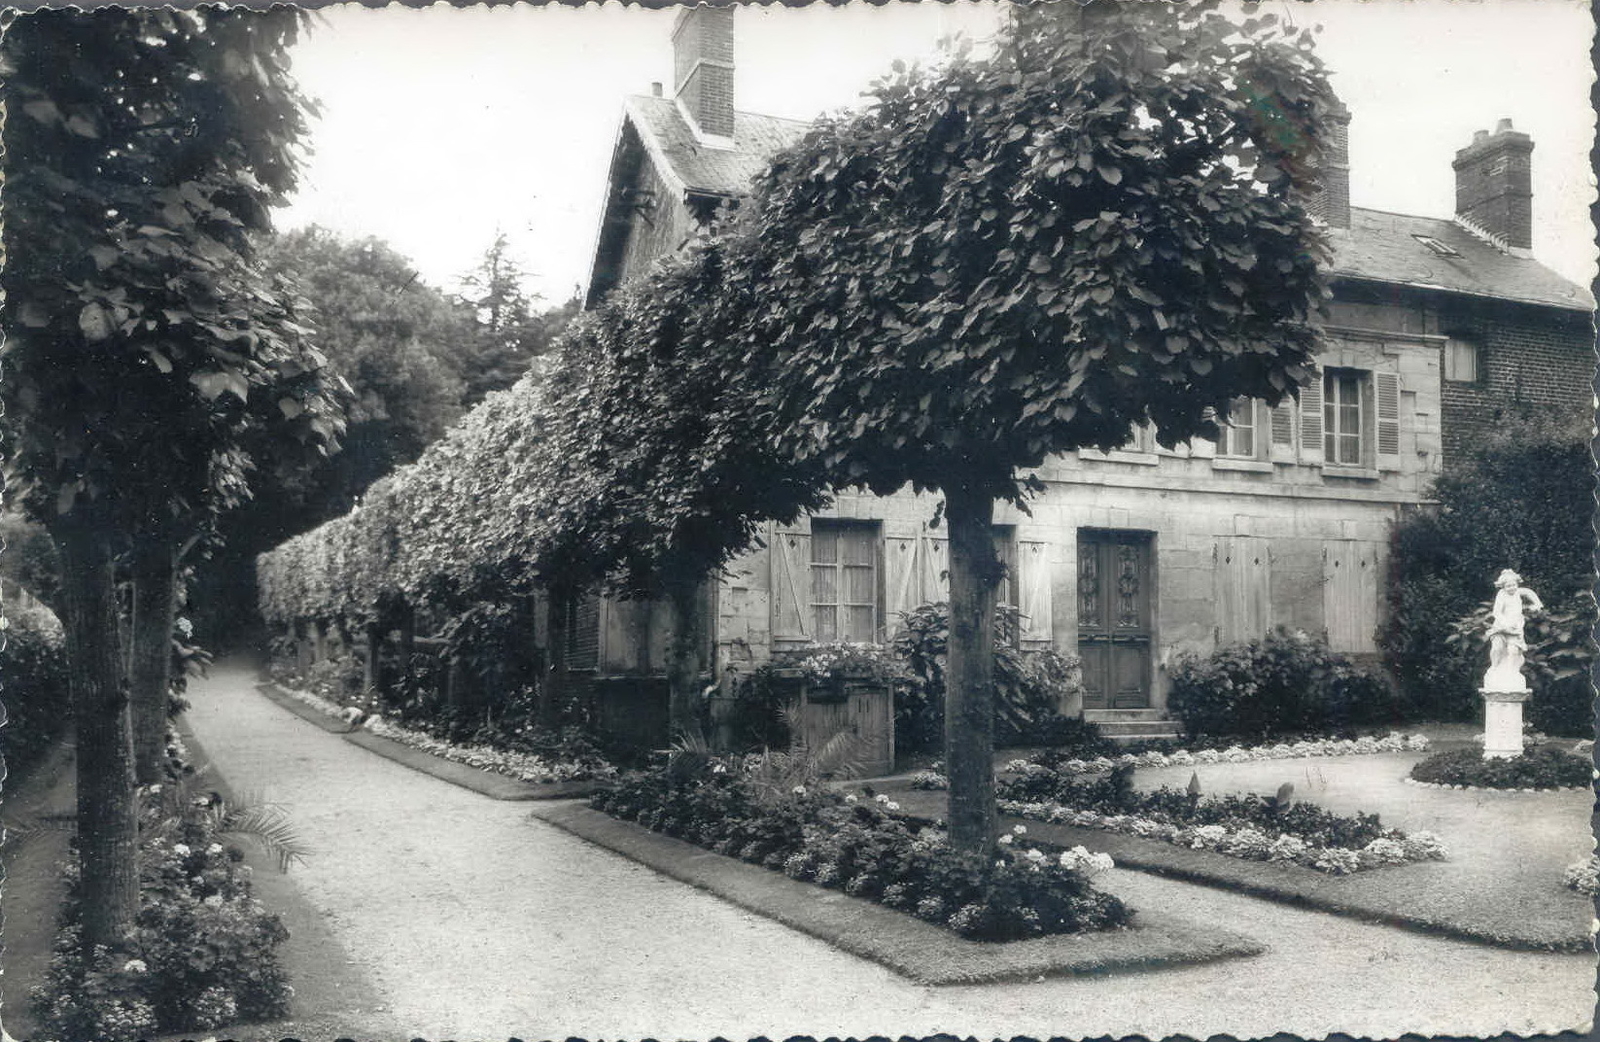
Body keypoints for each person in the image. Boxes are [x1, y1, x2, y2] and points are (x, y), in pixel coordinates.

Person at [1483, 569, 1543, 691]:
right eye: (1508, 586)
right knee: (1497, 648)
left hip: (1516, 627)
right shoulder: (1501, 595)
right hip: (1501, 627)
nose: (1512, 588)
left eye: (1514, 585)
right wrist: (1505, 624)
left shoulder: (1518, 592)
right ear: (1503, 586)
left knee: (1513, 650)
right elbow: (1497, 612)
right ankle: (1494, 668)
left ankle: (1511, 672)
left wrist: (1538, 604)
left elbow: (1529, 593)